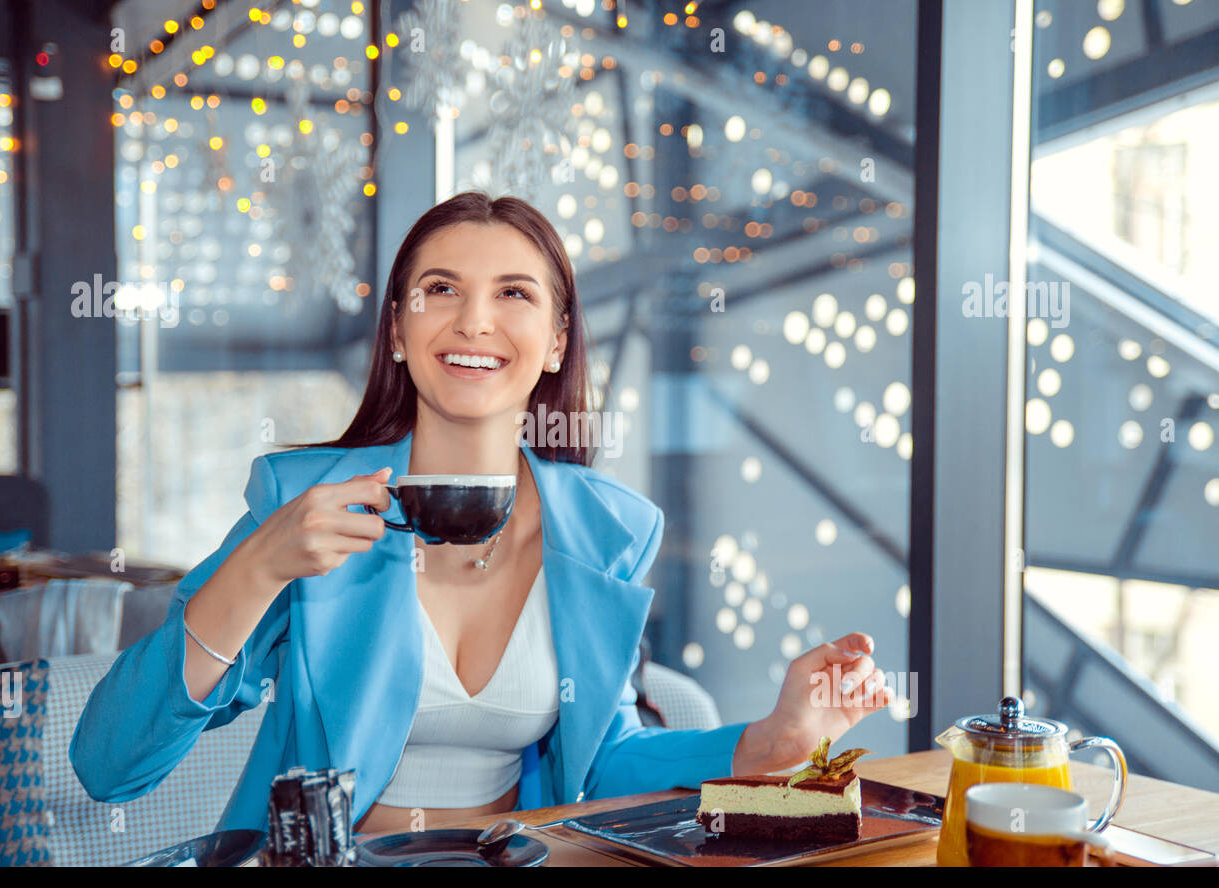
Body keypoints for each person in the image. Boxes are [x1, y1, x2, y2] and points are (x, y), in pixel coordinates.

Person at [70, 191, 893, 836]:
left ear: (559, 340)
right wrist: (260, 568)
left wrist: (771, 744)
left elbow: (600, 766)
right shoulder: (302, 502)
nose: (474, 321)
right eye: (440, 290)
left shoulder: (609, 529)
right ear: (397, 330)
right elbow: (109, 764)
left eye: (513, 293)